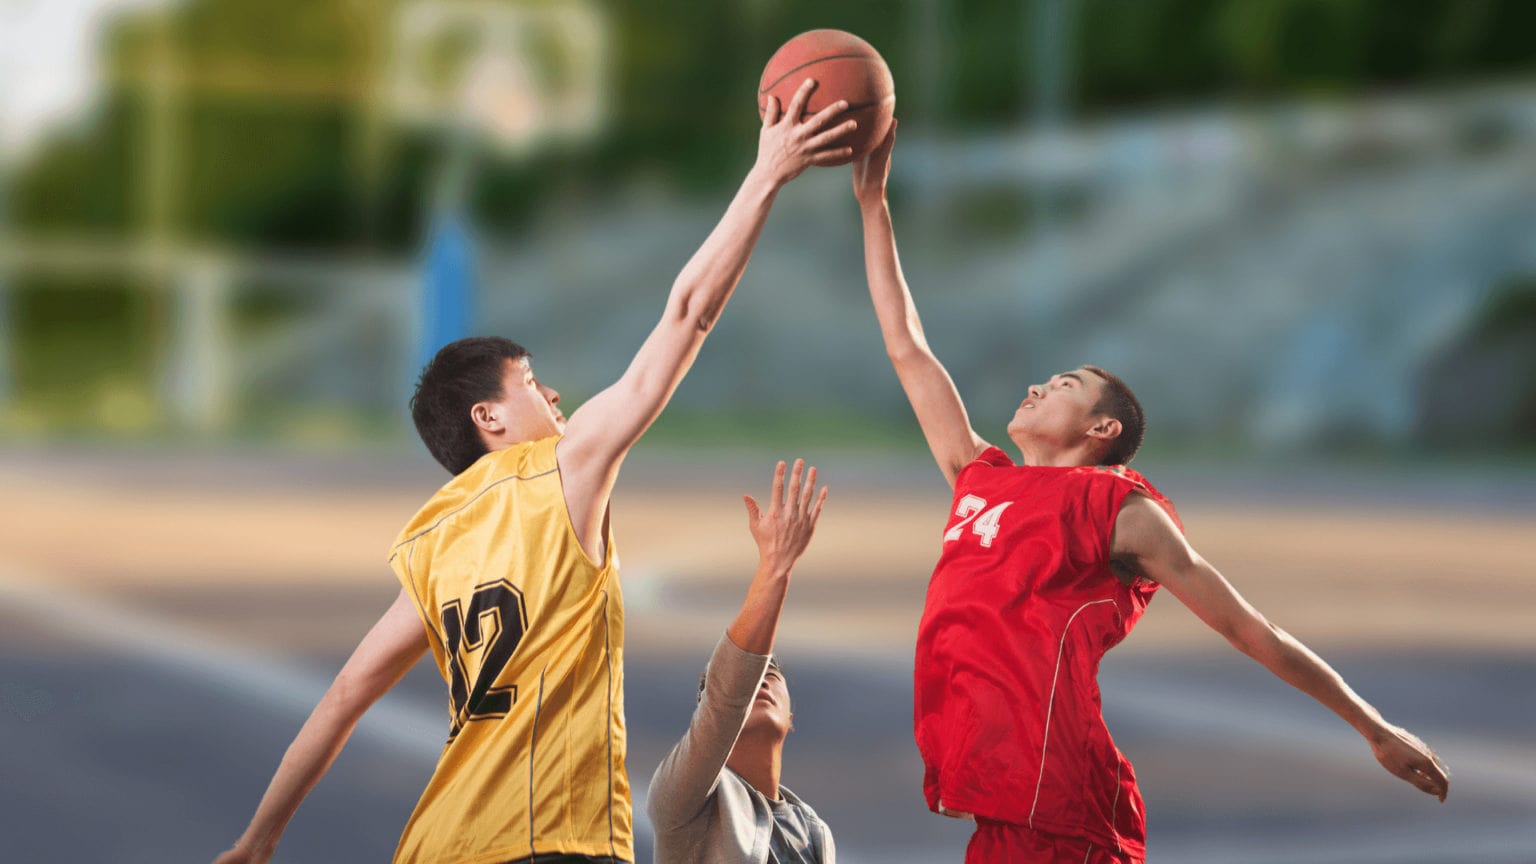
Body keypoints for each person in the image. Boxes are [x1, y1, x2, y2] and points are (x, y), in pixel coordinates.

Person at [210, 79, 859, 864]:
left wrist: (258, 839)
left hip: (435, 846)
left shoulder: (432, 541)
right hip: (549, 838)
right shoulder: (565, 467)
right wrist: (767, 174)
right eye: (531, 381)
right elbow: (689, 313)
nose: (553, 395)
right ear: (488, 418)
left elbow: (346, 694)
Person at [848, 121, 1451, 864]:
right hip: (1001, 798)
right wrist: (874, 205)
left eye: (1064, 385)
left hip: (1060, 806)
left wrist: (1374, 728)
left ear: (1100, 428)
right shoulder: (981, 479)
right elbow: (907, 347)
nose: (1037, 386)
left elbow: (1249, 628)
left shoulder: (1120, 511)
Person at [648, 459, 836, 864]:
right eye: (752, 675)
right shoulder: (682, 802)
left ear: (791, 717)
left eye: (773, 674)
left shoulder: (814, 831)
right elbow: (726, 698)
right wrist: (776, 564)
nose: (761, 678)